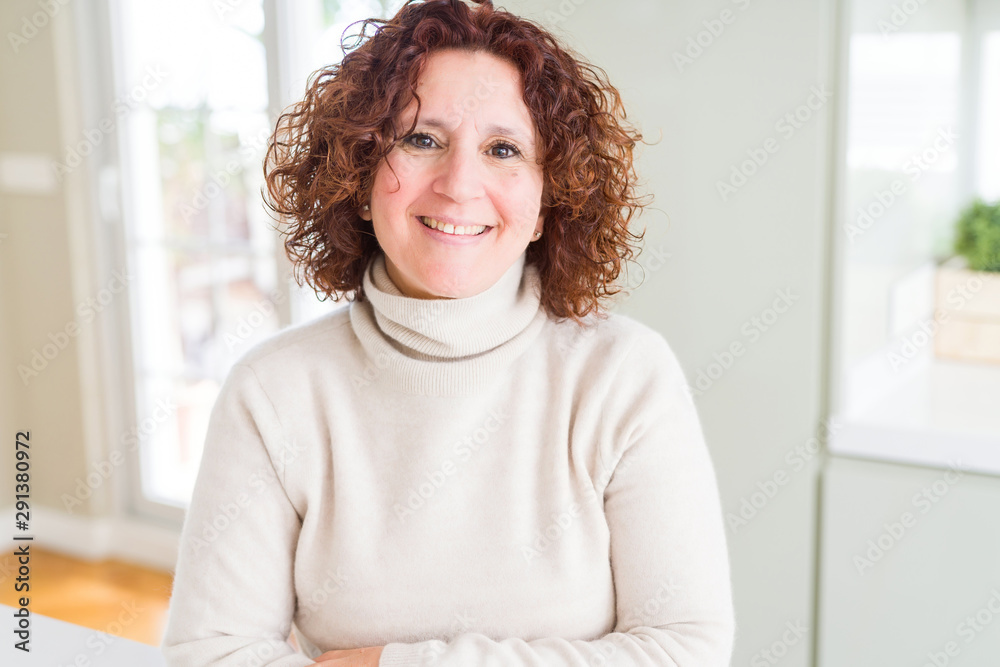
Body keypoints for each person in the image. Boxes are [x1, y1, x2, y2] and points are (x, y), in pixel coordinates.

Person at [161, 1, 736, 665]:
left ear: (548, 204)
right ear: (361, 172)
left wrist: (383, 663)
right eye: (422, 139)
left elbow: (686, 649)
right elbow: (209, 653)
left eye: (503, 149)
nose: (460, 184)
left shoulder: (625, 376)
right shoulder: (272, 392)